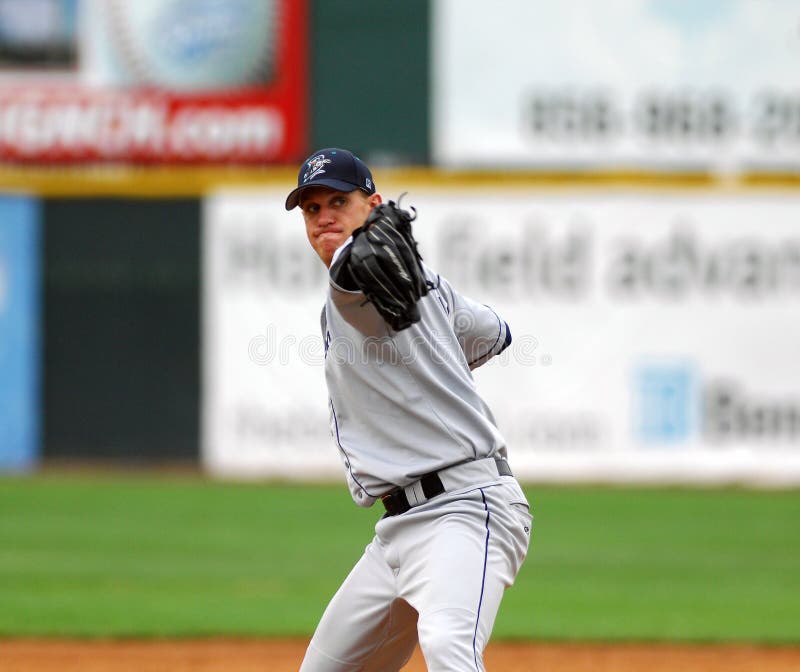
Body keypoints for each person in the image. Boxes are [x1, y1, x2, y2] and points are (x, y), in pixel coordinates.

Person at [286, 147, 532, 671]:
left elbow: (355, 282)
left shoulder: (354, 283)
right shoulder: (425, 283)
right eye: (311, 208)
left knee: (448, 649)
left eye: (337, 200)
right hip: (399, 530)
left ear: (373, 206)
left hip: (464, 510)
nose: (323, 217)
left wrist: (359, 269)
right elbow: (494, 333)